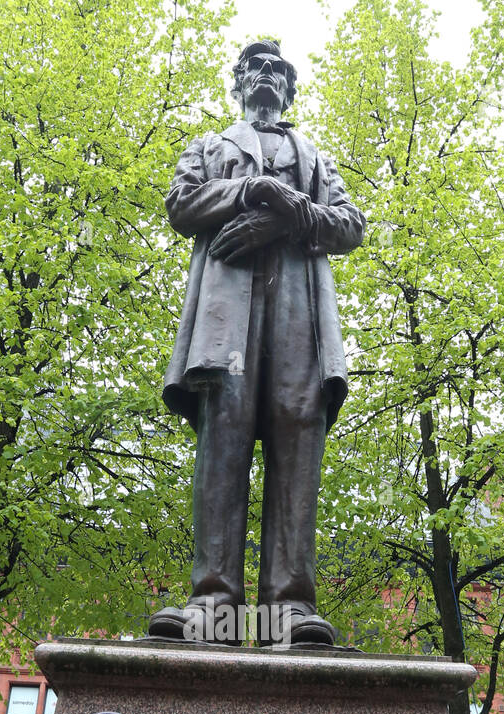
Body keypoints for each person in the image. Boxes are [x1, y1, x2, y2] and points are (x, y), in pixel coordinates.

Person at [149, 40, 366, 647]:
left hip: (298, 308)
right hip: (229, 314)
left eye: (278, 71)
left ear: (290, 91)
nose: (266, 77)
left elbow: (350, 224)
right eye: (255, 69)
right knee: (225, 437)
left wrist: (288, 213)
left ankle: (289, 608)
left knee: (299, 432)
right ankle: (213, 603)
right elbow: (182, 203)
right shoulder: (211, 148)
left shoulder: (312, 156)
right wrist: (249, 193)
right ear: (239, 84)